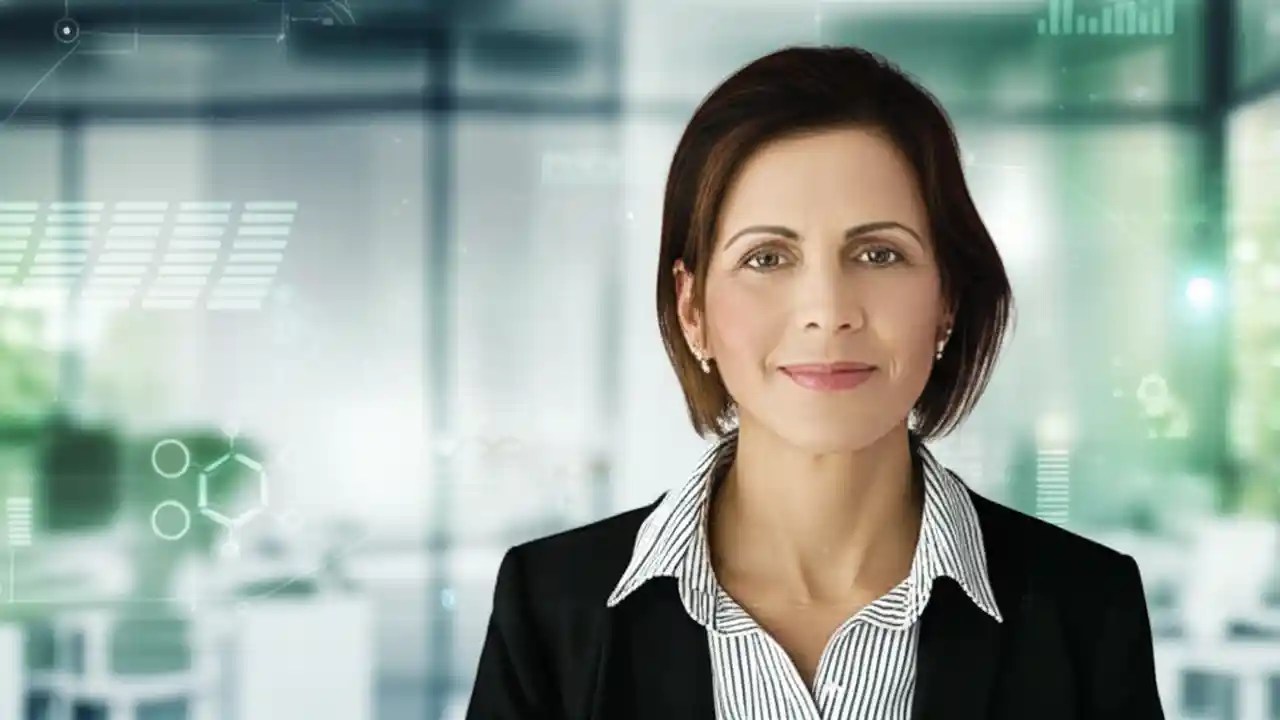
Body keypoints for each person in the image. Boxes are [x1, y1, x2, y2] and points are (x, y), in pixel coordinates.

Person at [466, 44, 1165, 719]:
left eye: (878, 253)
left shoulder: (1086, 608)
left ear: (946, 299)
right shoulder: (552, 608)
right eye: (768, 258)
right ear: (693, 309)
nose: (828, 312)